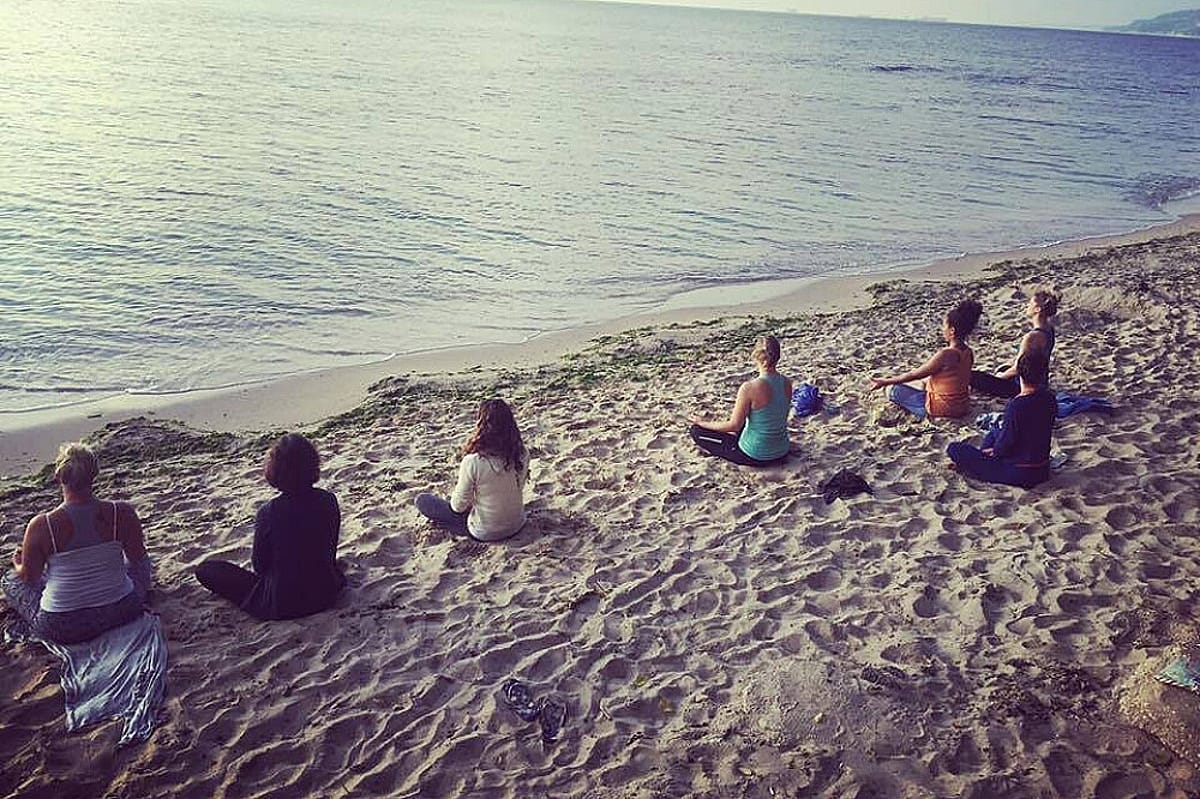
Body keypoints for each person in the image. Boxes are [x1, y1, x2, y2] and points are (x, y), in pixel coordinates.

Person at [2, 443, 152, 644]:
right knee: (138, 567)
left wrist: (19, 563)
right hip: (123, 611)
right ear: (94, 475)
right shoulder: (122, 512)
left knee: (10, 579)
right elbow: (138, 558)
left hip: (64, 625)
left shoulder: (42, 524)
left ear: (58, 477)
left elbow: (30, 577)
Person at [195, 433, 344, 619]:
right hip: (326, 592)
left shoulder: (269, 512)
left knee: (206, 570)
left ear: (276, 472)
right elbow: (329, 549)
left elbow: (260, 566)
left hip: (284, 603)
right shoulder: (328, 500)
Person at [415, 398, 529, 542]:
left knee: (422, 501)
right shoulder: (522, 452)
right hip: (517, 524)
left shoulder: (473, 462)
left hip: (486, 532)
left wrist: (470, 502)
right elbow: (518, 487)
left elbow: (457, 507)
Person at [947, 350, 1056, 488]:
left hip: (1020, 471)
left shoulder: (1017, 405)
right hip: (1042, 469)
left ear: (1019, 374)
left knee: (954, 448)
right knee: (994, 432)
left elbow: (1006, 444)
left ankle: (979, 465)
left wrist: (994, 452)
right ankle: (982, 460)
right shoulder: (1049, 399)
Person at [689, 335, 793, 466]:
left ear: (755, 356)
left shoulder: (749, 387)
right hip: (782, 451)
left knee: (696, 431)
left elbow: (734, 425)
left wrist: (703, 423)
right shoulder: (787, 382)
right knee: (752, 420)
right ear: (778, 357)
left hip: (755, 455)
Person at [870, 299, 983, 419]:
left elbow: (914, 374)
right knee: (925, 382)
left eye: (944, 326)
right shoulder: (968, 352)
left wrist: (885, 381)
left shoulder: (946, 354)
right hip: (962, 407)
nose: (942, 329)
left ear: (952, 331)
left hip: (941, 409)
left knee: (892, 389)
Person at [971, 289, 1059, 398]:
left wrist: (1001, 377)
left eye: (1031, 303)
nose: (1028, 305)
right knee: (1003, 368)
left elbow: (1018, 368)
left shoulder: (1032, 337)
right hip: (1041, 381)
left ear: (1037, 309)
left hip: (1023, 386)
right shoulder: (1049, 329)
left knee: (973, 376)